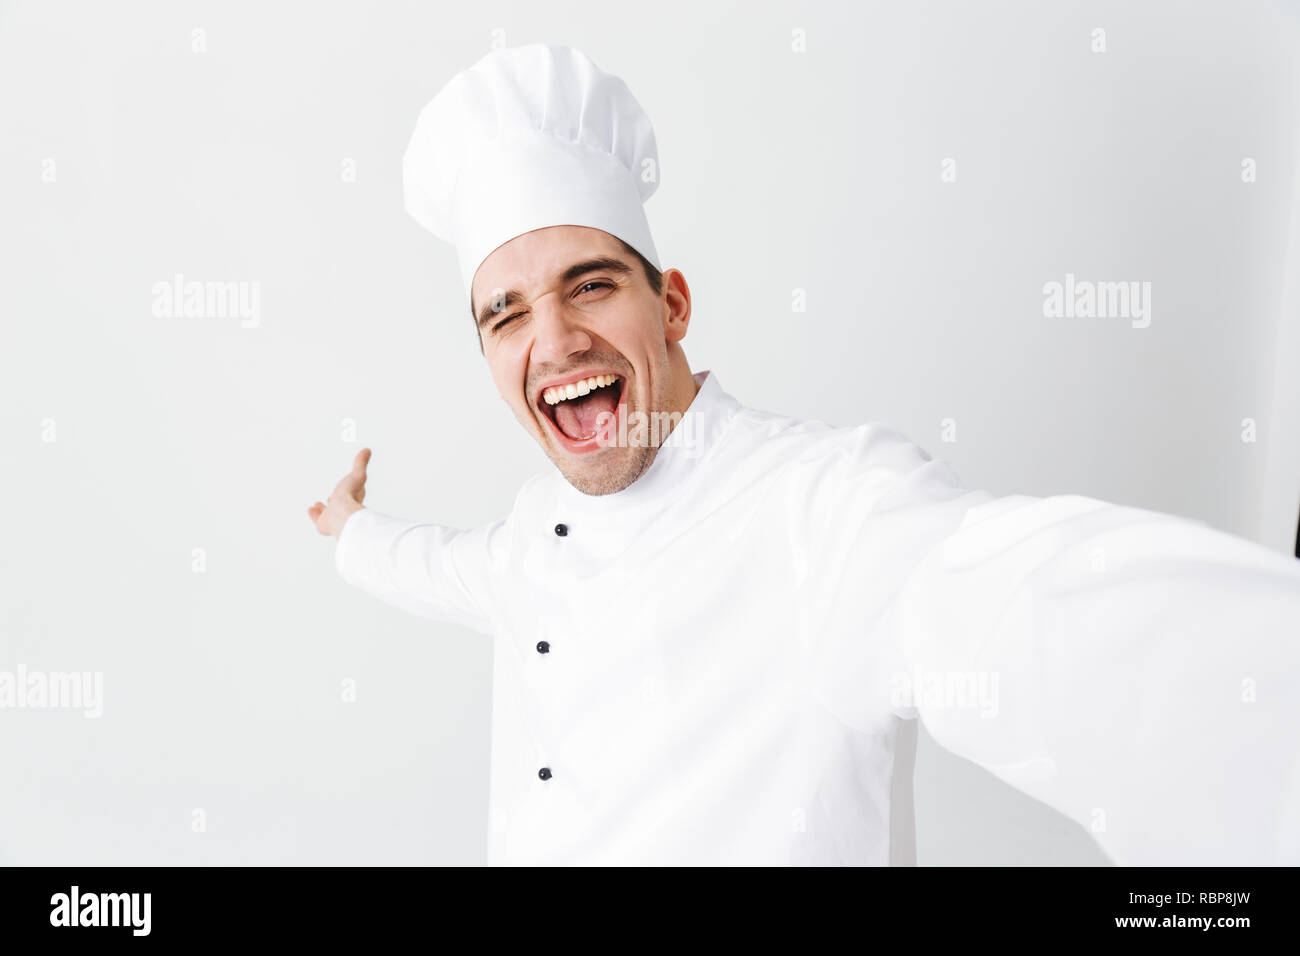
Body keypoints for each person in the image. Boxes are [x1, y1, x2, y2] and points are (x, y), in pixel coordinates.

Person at [307, 43, 1300, 866]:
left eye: (591, 284)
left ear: (675, 304)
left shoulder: (823, 508)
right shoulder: (531, 535)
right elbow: (439, 565)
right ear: (488, 357)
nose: (554, 339)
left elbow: (1026, 609)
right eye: (506, 313)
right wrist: (350, 527)